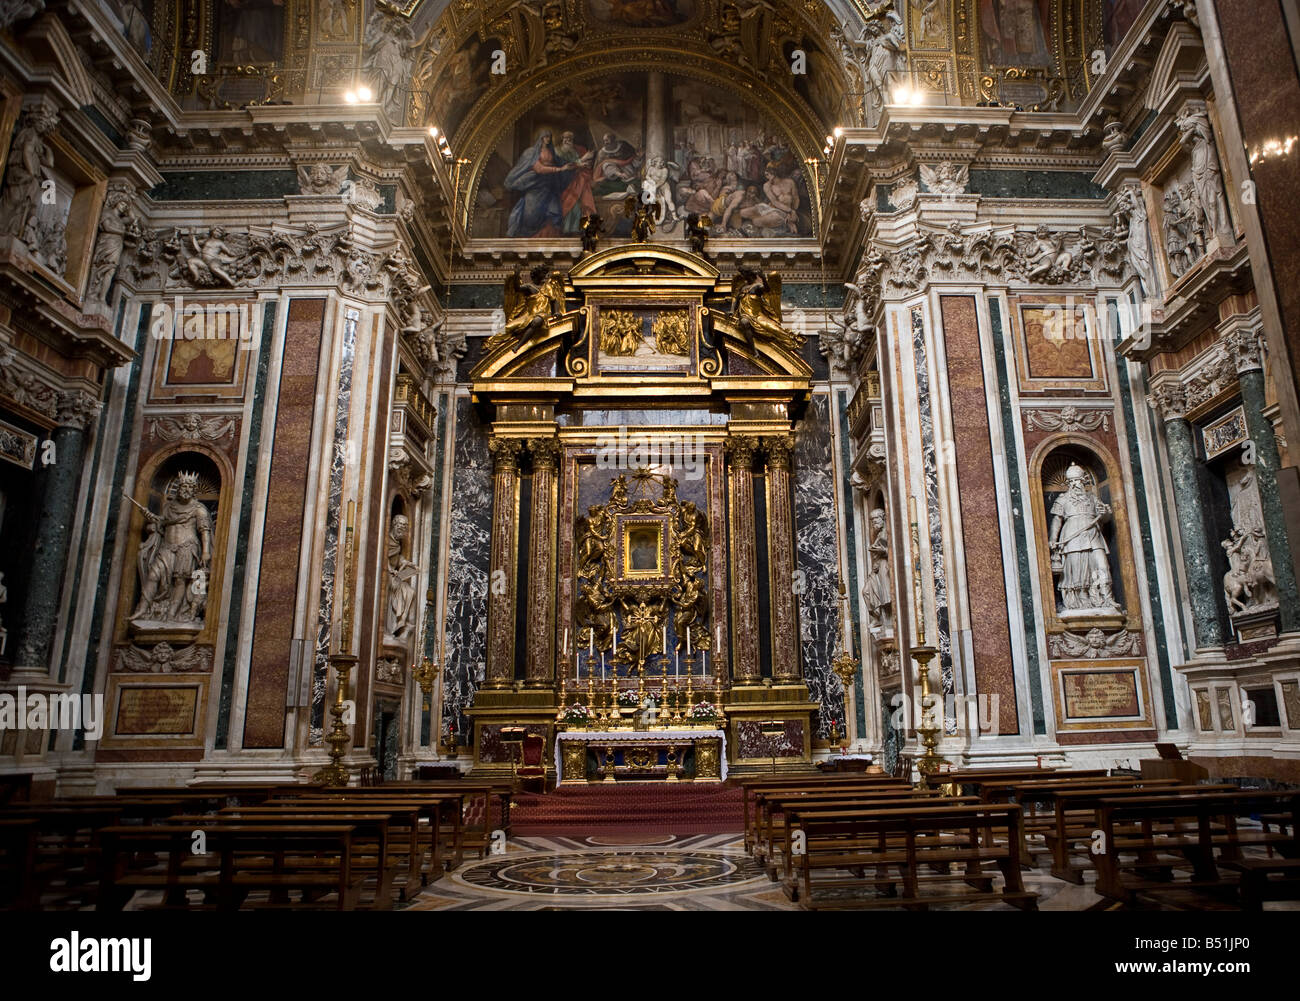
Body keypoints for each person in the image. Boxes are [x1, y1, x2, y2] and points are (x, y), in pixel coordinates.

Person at [504, 131, 578, 237]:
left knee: (551, 210)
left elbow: (562, 162)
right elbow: (539, 169)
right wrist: (560, 169)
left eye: (549, 137)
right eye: (546, 137)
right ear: (541, 138)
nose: (548, 139)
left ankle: (546, 236)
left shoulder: (551, 151)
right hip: (535, 184)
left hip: (549, 184)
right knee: (531, 213)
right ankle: (525, 234)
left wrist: (577, 164)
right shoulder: (532, 152)